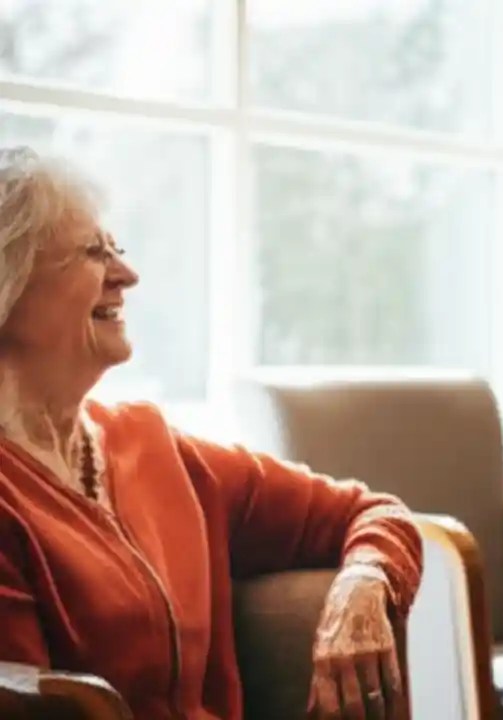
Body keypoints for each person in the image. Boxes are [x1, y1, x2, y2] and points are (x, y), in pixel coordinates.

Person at [0, 146, 423, 719]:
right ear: (12, 285)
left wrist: (364, 585)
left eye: (116, 250)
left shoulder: (152, 446)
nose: (127, 274)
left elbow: (372, 512)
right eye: (93, 253)